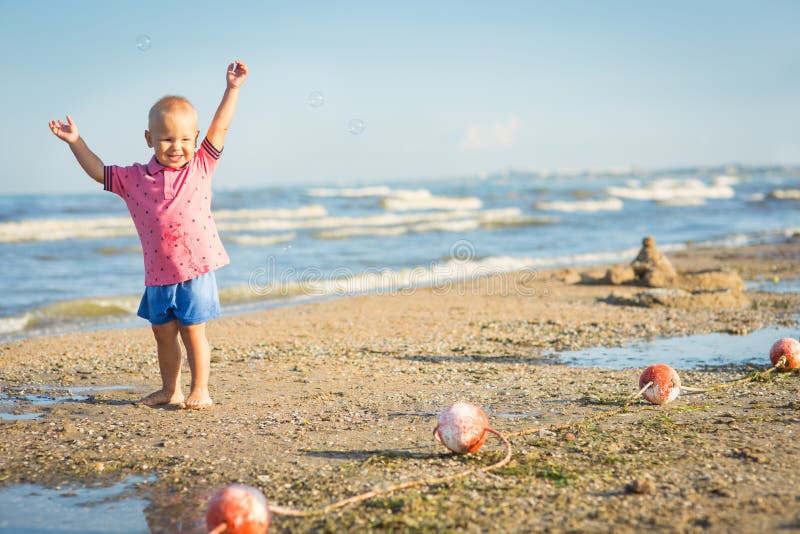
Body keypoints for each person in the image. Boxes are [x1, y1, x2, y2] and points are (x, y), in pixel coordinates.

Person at [48, 60, 248, 409]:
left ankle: (200, 388)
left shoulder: (201, 165)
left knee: (193, 330)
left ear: (196, 140)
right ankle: (171, 390)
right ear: (149, 138)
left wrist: (232, 89)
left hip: (196, 267)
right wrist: (75, 141)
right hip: (158, 272)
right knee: (162, 332)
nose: (177, 147)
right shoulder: (135, 178)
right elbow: (99, 171)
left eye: (186, 139)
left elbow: (222, 126)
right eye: (167, 138)